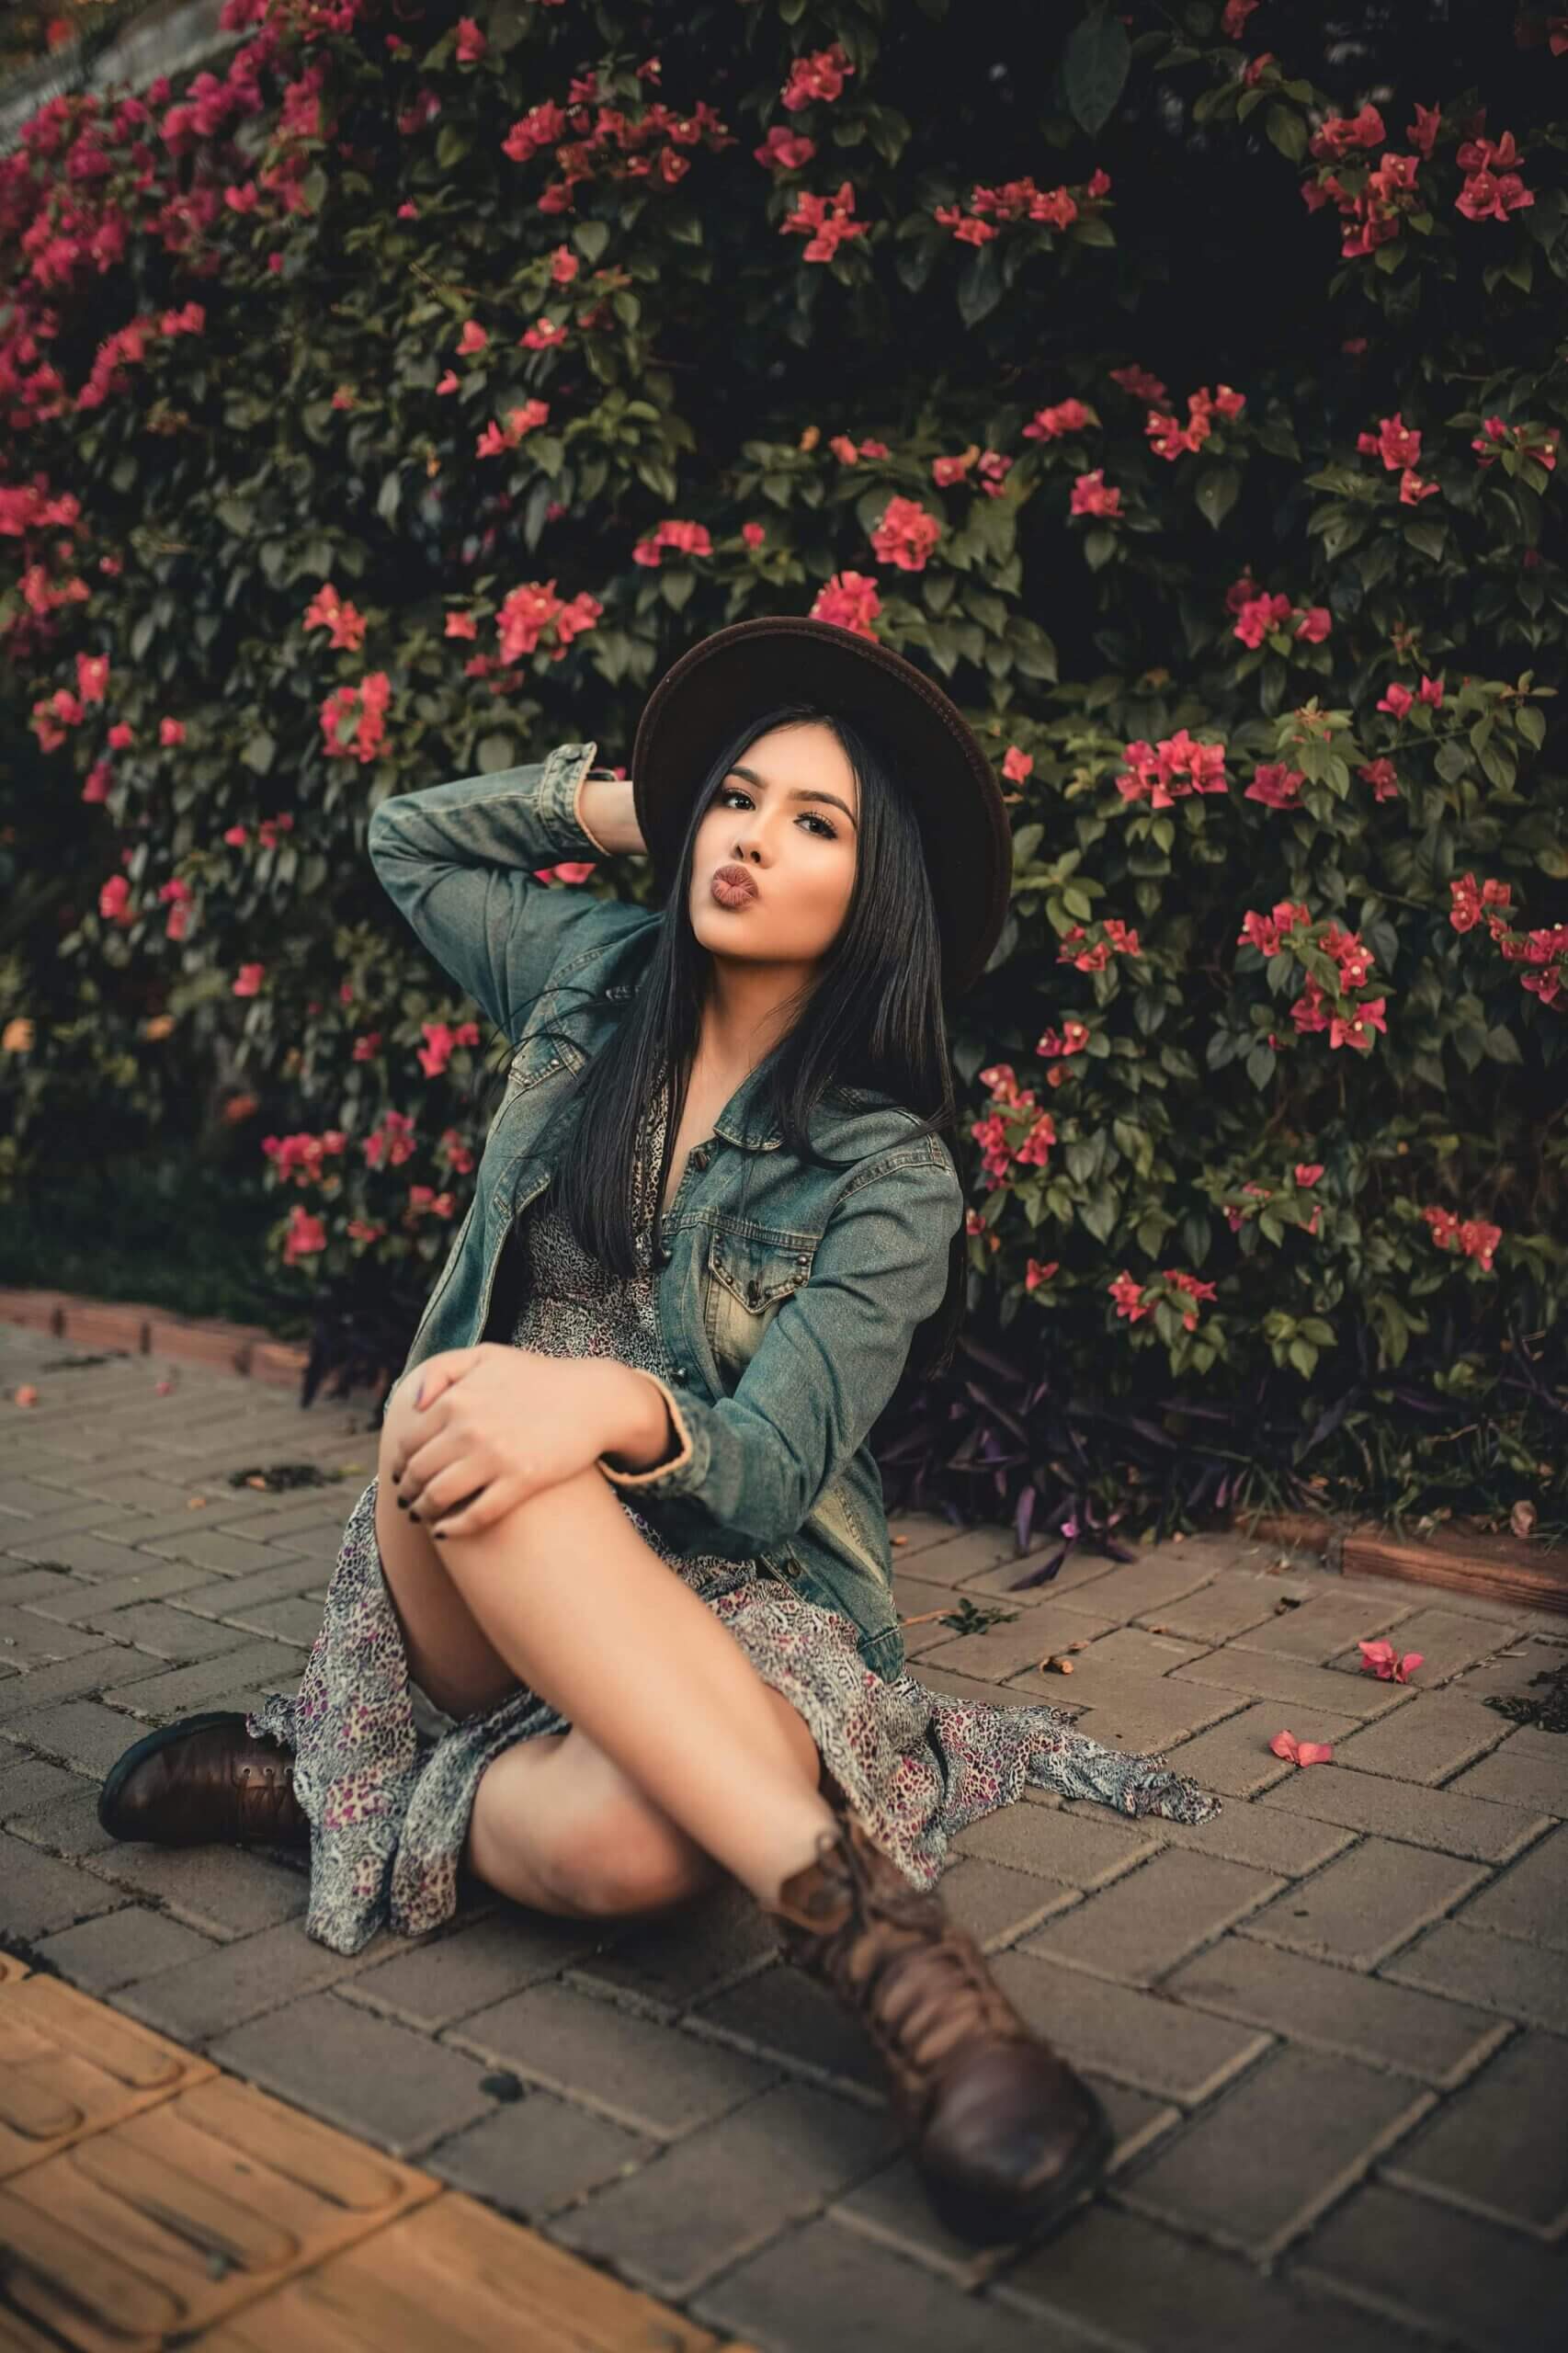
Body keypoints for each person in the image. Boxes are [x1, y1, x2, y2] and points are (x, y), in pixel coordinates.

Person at [97, 617, 1219, 2248]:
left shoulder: (886, 1176)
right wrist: (641, 801)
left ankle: (320, 1790)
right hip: (472, 1541)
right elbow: (400, 836)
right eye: (737, 801)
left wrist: (614, 1398)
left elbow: (764, 1477)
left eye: (810, 824)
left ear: (872, 895)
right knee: (467, 1406)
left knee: (641, 1849)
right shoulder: (595, 974)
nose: (752, 841)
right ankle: (916, 1983)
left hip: (723, 1588)